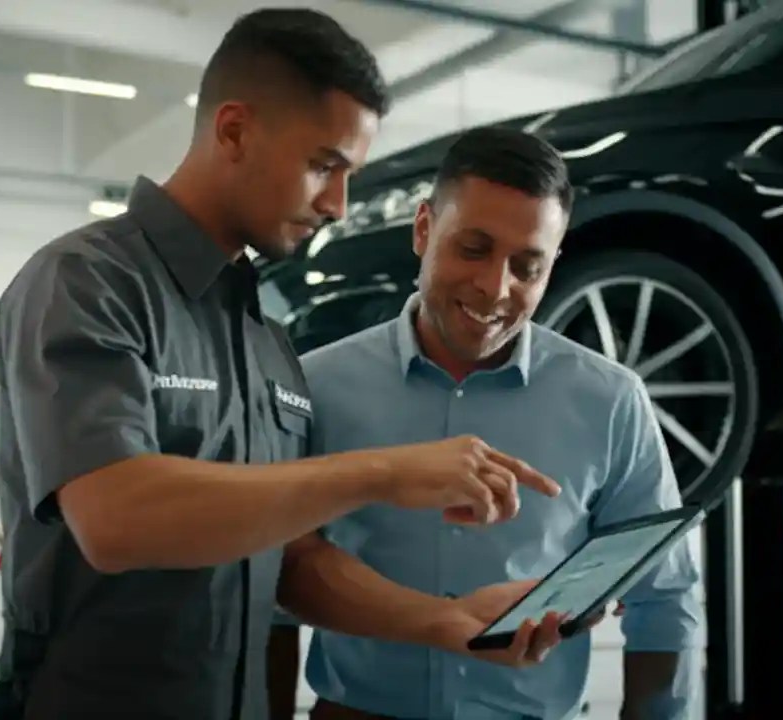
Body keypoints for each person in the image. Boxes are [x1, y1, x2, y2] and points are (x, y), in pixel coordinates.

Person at [0, 9, 567, 720]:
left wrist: (446, 622)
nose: (337, 204)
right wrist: (385, 472)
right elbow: (116, 517)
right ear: (233, 130)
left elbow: (291, 560)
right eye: (324, 165)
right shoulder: (86, 283)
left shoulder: (269, 340)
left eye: (348, 174)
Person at [270, 126, 704, 720]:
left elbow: (664, 598)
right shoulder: (315, 386)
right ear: (423, 230)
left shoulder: (610, 400)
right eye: (473, 249)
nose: (495, 287)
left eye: (527, 266)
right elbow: (270, 587)